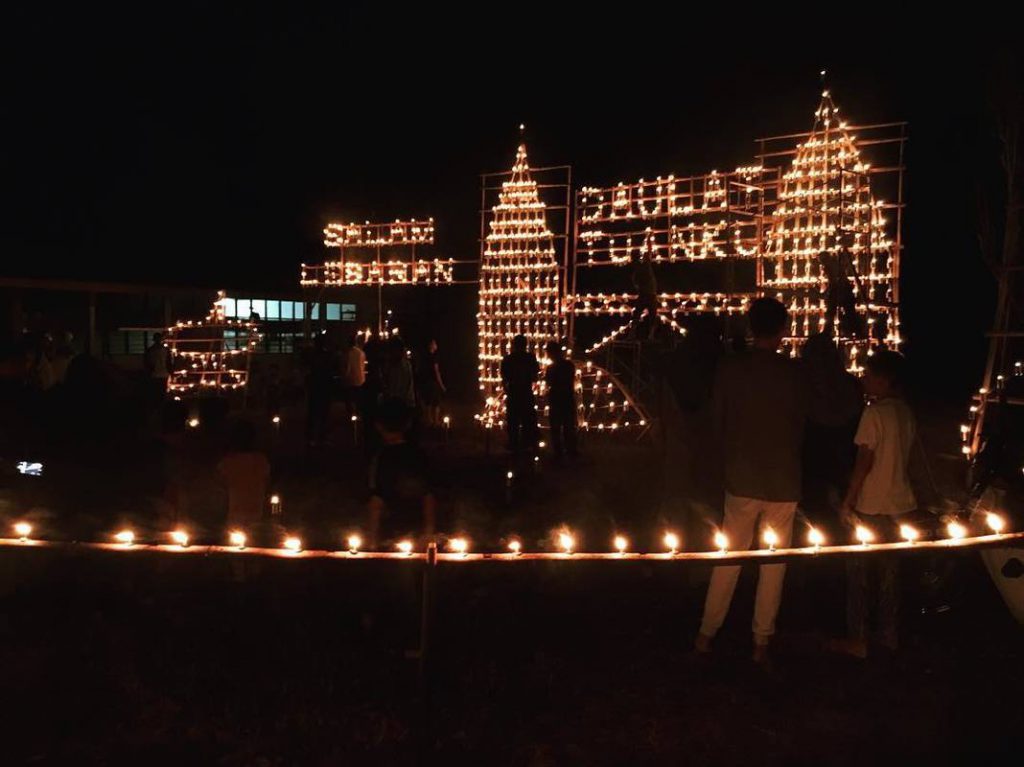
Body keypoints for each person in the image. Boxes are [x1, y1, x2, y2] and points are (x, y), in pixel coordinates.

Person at [694, 297, 806, 667]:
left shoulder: (730, 369)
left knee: (729, 557)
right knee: (774, 565)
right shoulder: (792, 373)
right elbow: (801, 422)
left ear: (749, 327)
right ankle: (760, 641)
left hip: (741, 477)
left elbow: (716, 421)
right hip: (783, 479)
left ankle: (706, 635)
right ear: (783, 329)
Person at [831, 351, 916, 659]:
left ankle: (859, 640)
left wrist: (848, 501)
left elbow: (864, 463)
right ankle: (890, 635)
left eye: (868, 375)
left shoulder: (874, 414)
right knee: (891, 576)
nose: (863, 379)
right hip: (901, 503)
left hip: (872, 505)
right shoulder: (905, 412)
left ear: (884, 379)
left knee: (859, 576)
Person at [800, 333, 862, 528]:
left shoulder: (804, 386)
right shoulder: (851, 385)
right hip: (843, 459)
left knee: (818, 520)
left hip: (814, 461)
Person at [367, 398, 436, 547]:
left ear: (378, 426)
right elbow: (428, 495)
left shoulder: (381, 458)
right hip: (417, 529)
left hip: (389, 531)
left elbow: (376, 500)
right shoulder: (419, 454)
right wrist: (428, 532)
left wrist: (371, 541)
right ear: (408, 424)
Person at [217, 419, 271, 530]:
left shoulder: (227, 462)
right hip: (253, 515)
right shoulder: (261, 460)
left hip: (236, 516)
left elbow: (221, 488)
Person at [501, 335, 539, 453]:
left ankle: (514, 443)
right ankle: (526, 443)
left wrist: (507, 389)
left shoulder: (508, 359)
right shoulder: (530, 358)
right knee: (527, 419)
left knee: (513, 420)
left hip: (514, 393)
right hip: (525, 393)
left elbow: (504, 377)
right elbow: (535, 375)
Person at [545, 341, 577, 461]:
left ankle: (559, 452)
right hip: (567, 398)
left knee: (556, 427)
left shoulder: (552, 368)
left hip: (557, 399)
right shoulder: (569, 365)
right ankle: (570, 450)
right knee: (568, 426)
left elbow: (549, 382)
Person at [419, 338, 446, 427]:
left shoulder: (425, 357)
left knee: (429, 402)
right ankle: (435, 421)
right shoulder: (434, 357)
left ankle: (429, 421)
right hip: (433, 383)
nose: (436, 345)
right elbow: (436, 371)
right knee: (436, 402)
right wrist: (441, 385)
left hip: (426, 382)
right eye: (434, 343)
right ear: (431, 345)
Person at [382, 336, 415, 408]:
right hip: (396, 401)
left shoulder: (405, 365)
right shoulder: (390, 365)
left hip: (403, 402)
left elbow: (407, 384)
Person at [342, 334, 367, 417]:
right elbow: (363, 366)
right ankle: (359, 414)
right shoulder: (361, 353)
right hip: (361, 380)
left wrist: (344, 378)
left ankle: (350, 414)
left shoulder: (348, 353)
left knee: (348, 399)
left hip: (351, 381)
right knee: (359, 401)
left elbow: (347, 368)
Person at [145, 332, 171, 400]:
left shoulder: (151, 350)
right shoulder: (165, 350)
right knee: (159, 391)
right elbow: (169, 362)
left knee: (158, 391)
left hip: (159, 374)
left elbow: (169, 361)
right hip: (159, 373)